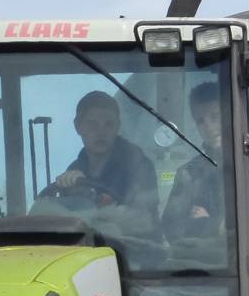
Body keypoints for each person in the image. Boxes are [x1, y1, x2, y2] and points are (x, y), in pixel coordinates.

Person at [54, 90, 157, 219]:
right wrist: (68, 189)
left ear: (117, 126)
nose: (101, 132)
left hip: (128, 239)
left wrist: (91, 196)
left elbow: (144, 221)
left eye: (109, 124)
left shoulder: (138, 166)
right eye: (92, 124)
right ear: (78, 127)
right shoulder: (74, 171)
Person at [161, 82, 226, 237]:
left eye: (214, 117)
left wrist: (210, 223)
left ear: (230, 114)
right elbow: (171, 227)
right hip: (200, 259)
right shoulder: (189, 173)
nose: (208, 126)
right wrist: (219, 225)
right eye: (200, 121)